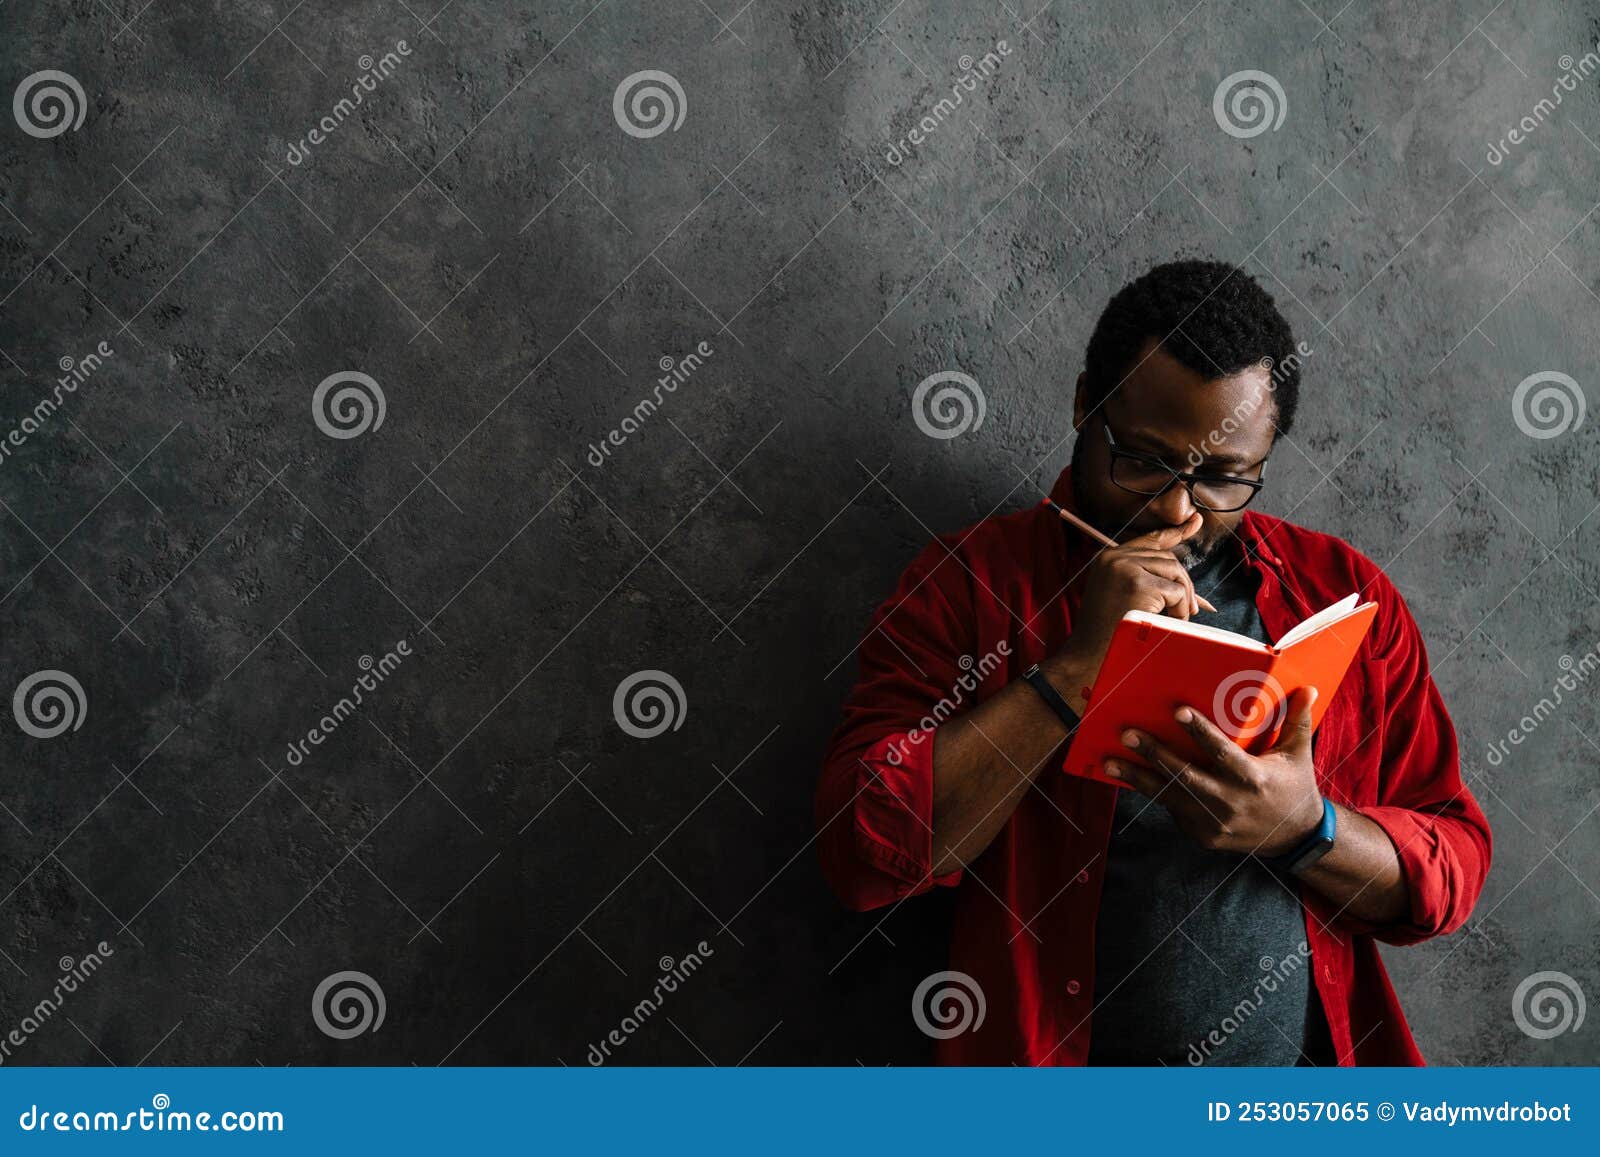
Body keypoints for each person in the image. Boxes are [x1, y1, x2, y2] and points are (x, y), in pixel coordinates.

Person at [815, 259, 1491, 1065]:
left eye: (1222, 479)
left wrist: (1307, 830)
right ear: (1083, 404)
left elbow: (1452, 868)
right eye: (1143, 460)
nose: (1177, 507)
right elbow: (863, 852)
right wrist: (1075, 669)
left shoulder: (1341, 593)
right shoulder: (967, 584)